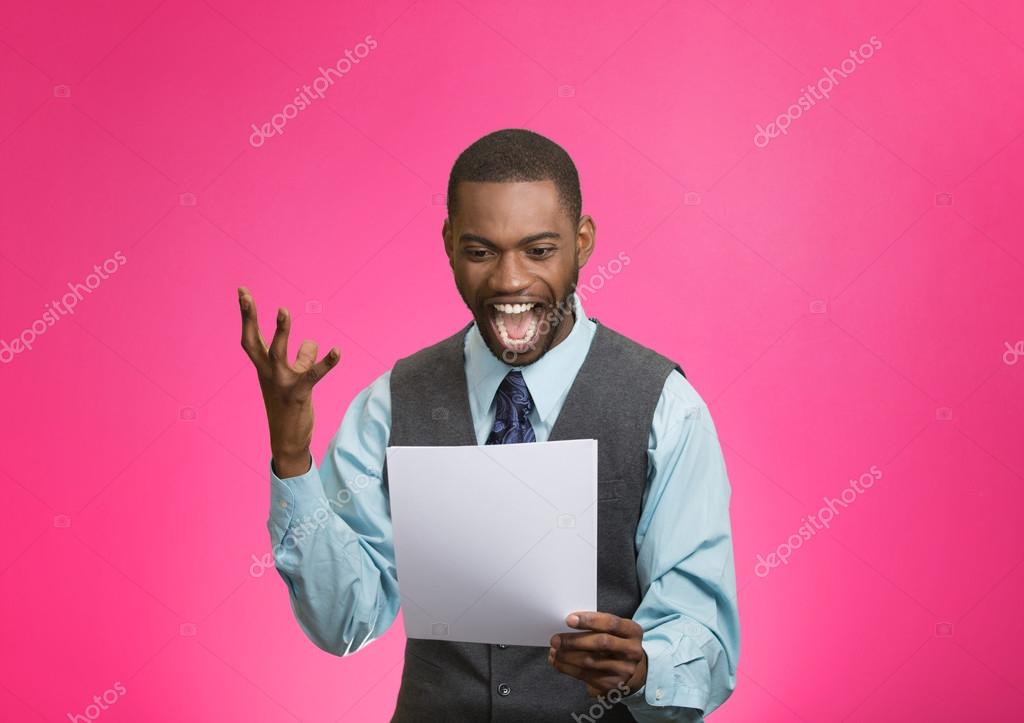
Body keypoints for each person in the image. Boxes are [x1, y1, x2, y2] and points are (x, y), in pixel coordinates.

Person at [238, 128, 739, 722]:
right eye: (481, 252)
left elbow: (703, 636)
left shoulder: (666, 410)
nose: (509, 281)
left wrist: (645, 667)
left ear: (582, 244)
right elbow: (344, 620)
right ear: (449, 244)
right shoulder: (391, 404)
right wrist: (292, 457)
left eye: (539, 250)